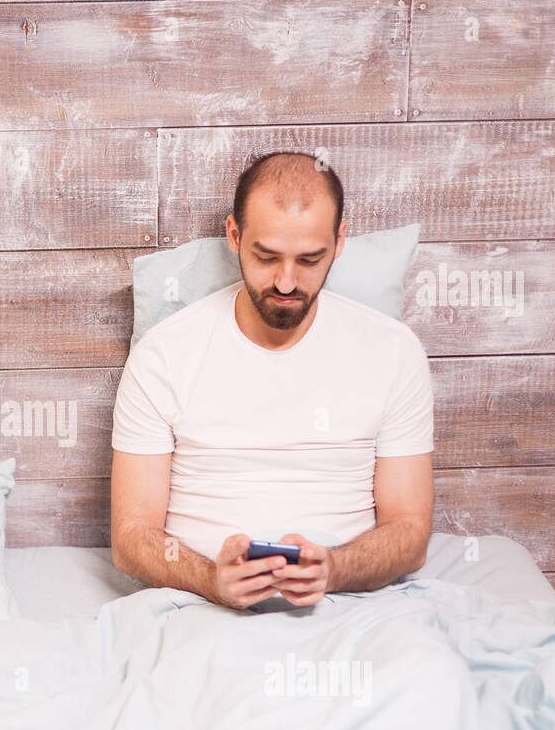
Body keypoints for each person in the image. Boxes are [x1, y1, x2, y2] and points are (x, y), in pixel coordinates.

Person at [110, 151, 434, 611]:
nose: (286, 282)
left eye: (309, 259)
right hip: (199, 606)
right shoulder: (164, 355)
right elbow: (131, 537)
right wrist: (211, 579)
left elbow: (410, 534)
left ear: (340, 242)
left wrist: (334, 569)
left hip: (350, 607)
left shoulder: (394, 352)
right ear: (234, 235)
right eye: (266, 257)